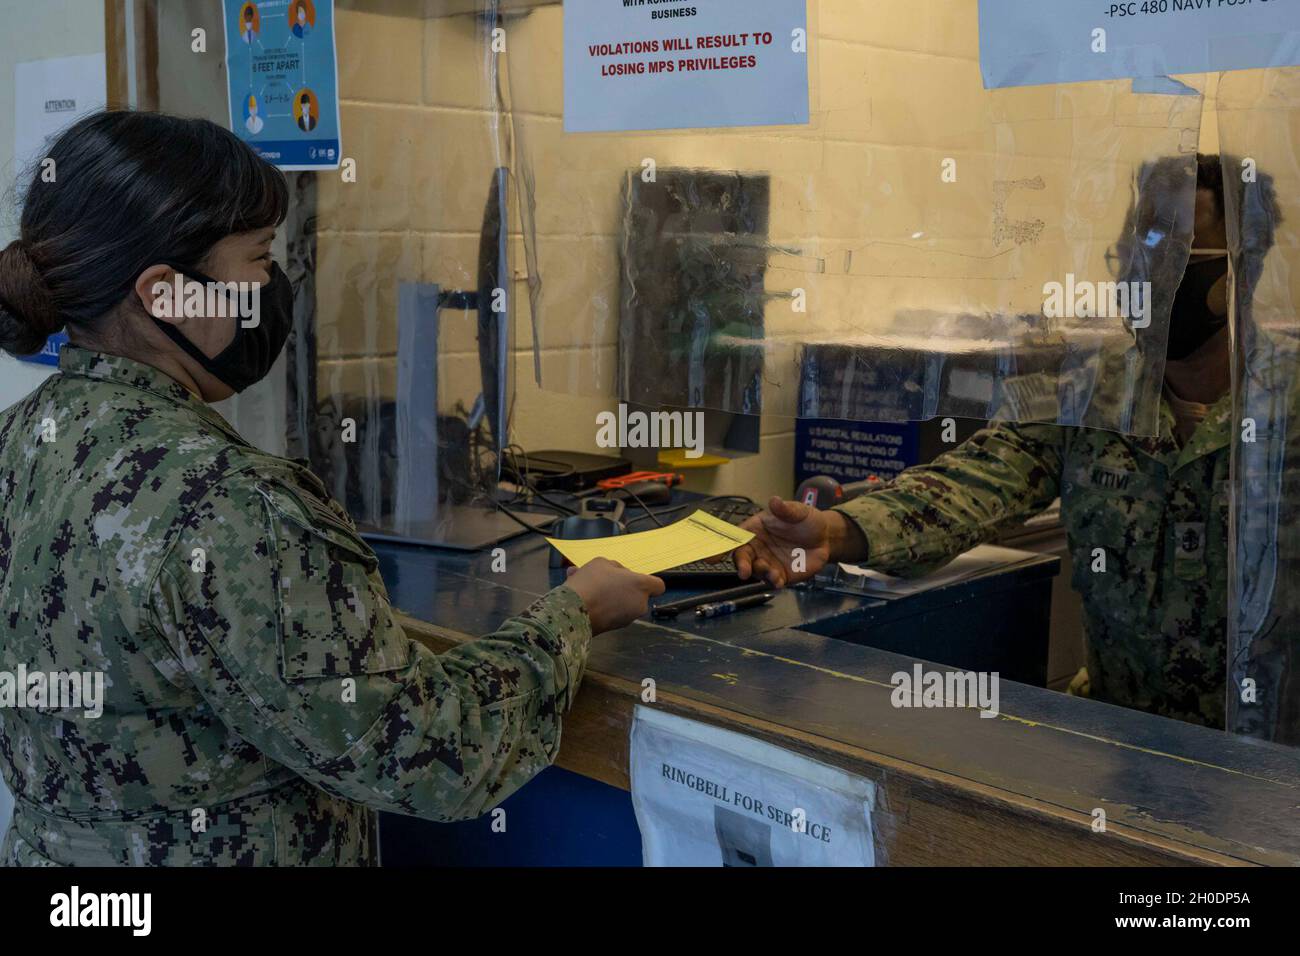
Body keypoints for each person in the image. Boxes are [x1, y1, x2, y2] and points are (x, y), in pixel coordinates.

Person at [0, 110, 664, 866]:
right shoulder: (228, 504)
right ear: (165, 295)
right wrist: (573, 618)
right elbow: (428, 754)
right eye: (257, 257)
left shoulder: (17, 445)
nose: (272, 284)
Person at [730, 154, 1290, 737]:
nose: (1141, 270)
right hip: (1123, 750)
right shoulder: (1092, 398)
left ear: (1241, 269)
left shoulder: (1287, 413)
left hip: (1270, 769)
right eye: (1135, 246)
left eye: (1172, 247)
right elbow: (967, 486)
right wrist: (833, 531)